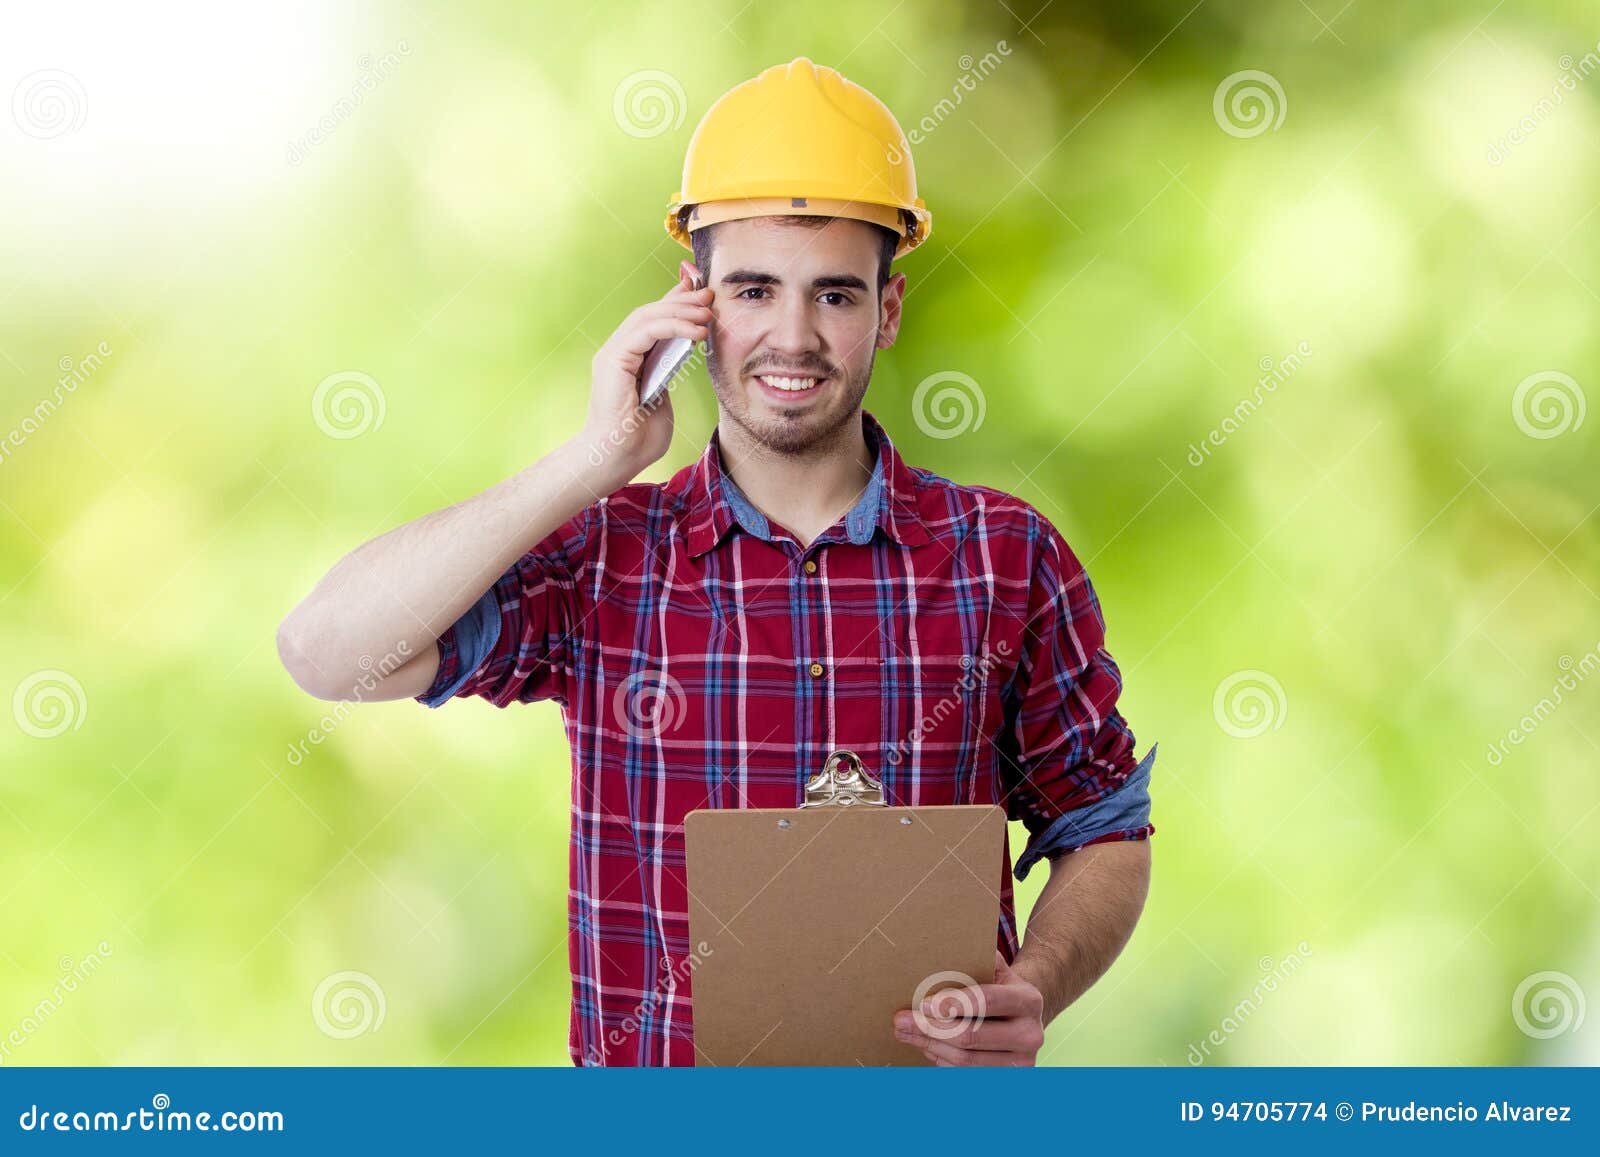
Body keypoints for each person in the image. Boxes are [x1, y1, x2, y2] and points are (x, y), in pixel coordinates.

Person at [277, 57, 1156, 1067]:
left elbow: (1102, 824)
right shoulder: (606, 559)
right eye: (752, 288)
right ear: (695, 302)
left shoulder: (1004, 558)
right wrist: (592, 459)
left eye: (834, 294)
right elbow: (325, 651)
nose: (794, 335)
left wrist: (1032, 986)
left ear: (889, 309)